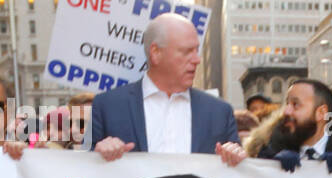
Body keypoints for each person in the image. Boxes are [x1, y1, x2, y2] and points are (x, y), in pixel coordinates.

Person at [85, 13, 244, 167]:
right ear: (156, 53)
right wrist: (97, 155)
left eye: (197, 51)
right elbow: (80, 170)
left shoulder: (219, 113)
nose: (197, 60)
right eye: (187, 52)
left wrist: (235, 157)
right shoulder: (106, 106)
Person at [245, 77, 332, 172]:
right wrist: (272, 165)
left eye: (295, 104)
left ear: (321, 112)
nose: (286, 111)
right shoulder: (267, 154)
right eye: (287, 104)